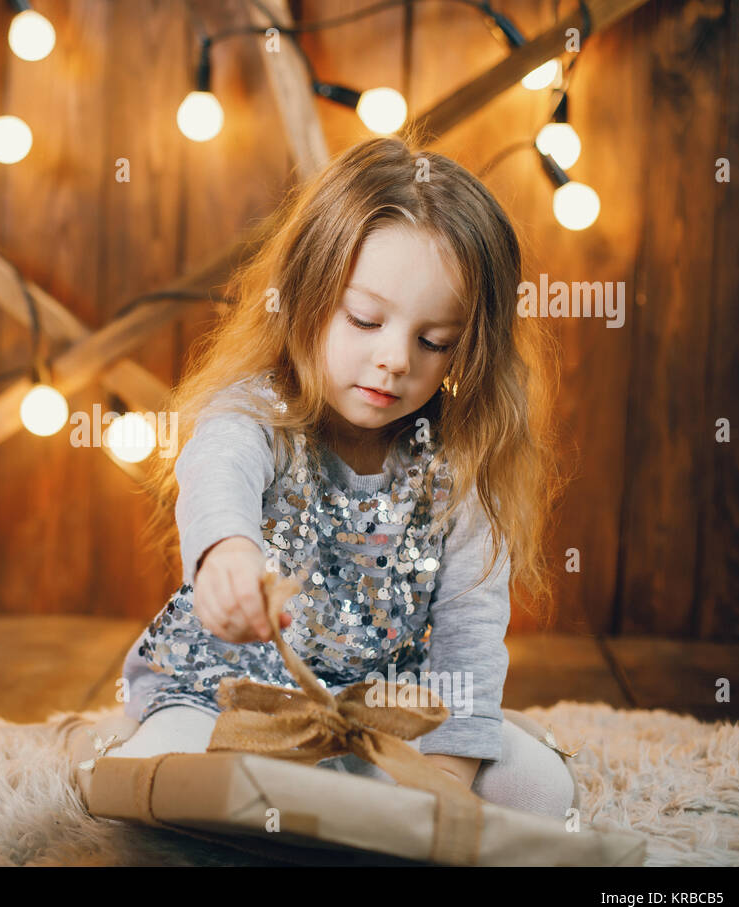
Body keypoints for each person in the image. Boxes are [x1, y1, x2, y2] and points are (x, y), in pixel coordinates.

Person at [114, 136, 577, 819]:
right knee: (164, 775)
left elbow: (468, 637)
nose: (393, 359)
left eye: (434, 341)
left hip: (380, 713)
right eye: (364, 319)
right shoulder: (257, 411)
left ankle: (334, 801)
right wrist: (226, 556)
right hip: (237, 698)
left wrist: (439, 787)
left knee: (543, 793)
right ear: (305, 297)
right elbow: (217, 471)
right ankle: (291, 794)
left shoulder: (463, 459)